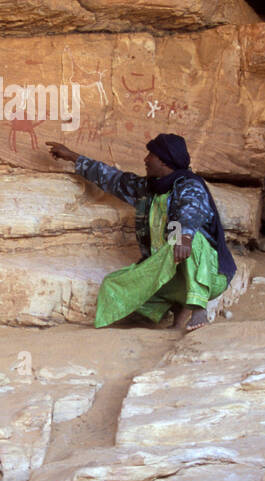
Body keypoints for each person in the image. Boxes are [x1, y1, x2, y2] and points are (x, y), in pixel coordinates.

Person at [47, 133, 236, 333]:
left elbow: (190, 211)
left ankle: (199, 308)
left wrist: (186, 236)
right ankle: (175, 320)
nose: (145, 159)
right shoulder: (148, 188)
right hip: (172, 270)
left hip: (210, 274)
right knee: (115, 285)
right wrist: (71, 156)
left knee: (189, 241)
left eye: (150, 155)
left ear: (164, 161)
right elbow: (112, 178)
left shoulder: (189, 185)